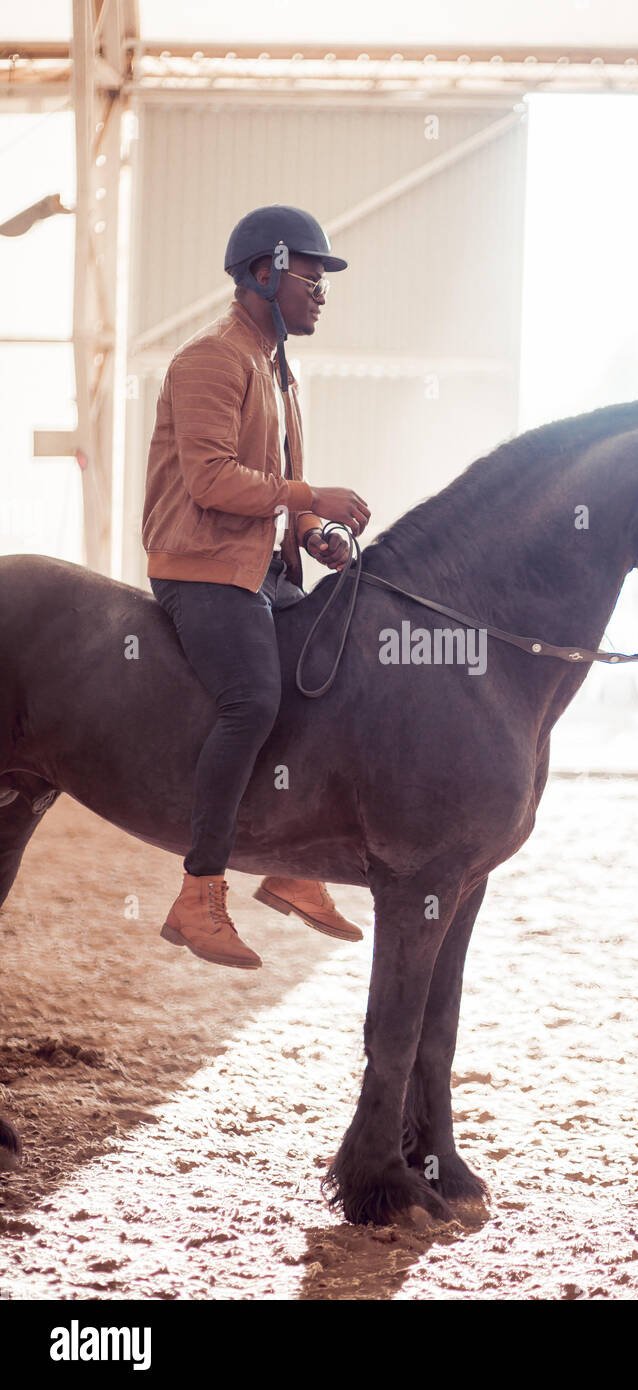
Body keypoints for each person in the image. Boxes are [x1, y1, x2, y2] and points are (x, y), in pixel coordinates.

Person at [141, 205, 371, 969]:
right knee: (251, 701)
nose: (321, 291)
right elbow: (211, 482)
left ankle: (293, 868)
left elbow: (275, 495)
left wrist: (315, 535)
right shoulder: (211, 360)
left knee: (326, 687)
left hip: (264, 570)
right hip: (201, 567)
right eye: (311, 275)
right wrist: (310, 498)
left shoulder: (279, 371)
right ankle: (198, 891)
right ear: (264, 275)